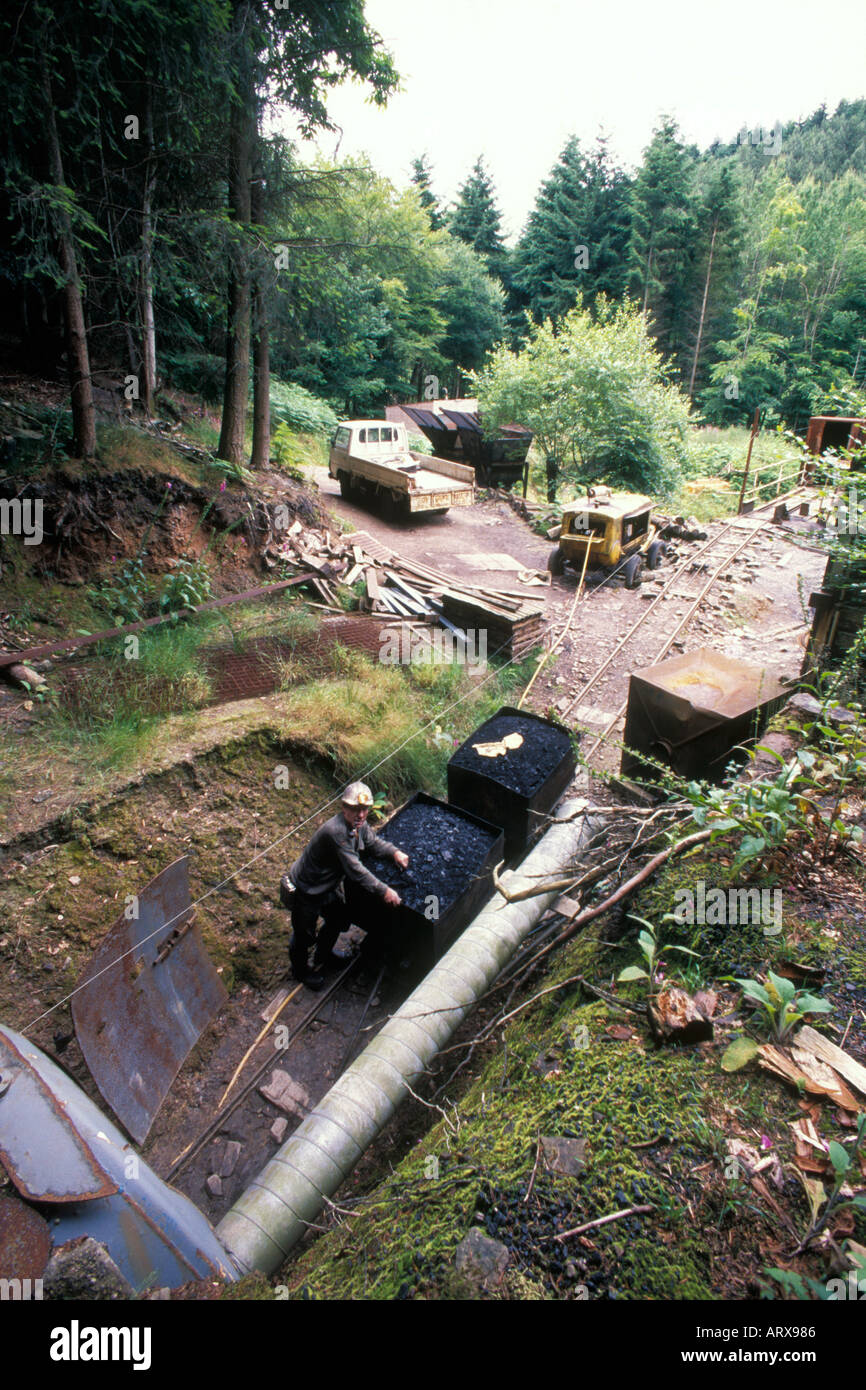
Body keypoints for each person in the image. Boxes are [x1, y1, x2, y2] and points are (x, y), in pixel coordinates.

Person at [281, 781, 409, 990]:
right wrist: (384, 890)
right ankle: (301, 972)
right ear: (344, 808)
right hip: (307, 888)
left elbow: (373, 843)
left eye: (364, 810)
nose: (360, 815)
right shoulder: (336, 832)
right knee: (304, 935)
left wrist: (394, 852)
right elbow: (355, 870)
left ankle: (324, 956)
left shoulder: (359, 825)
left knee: (339, 918)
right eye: (355, 810)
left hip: (327, 886)